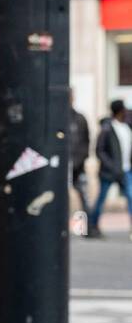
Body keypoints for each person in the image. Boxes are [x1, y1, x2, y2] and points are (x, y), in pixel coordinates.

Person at [90, 99, 132, 239]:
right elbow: (99, 150)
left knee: (131, 198)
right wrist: (112, 166)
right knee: (101, 200)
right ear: (119, 111)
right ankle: (93, 227)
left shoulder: (127, 127)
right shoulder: (107, 128)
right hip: (109, 172)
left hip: (126, 170)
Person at [70, 91, 92, 229]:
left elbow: (86, 142)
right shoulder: (57, 117)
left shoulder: (79, 118)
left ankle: (87, 227)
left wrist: (79, 160)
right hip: (61, 166)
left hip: (78, 166)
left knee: (83, 197)